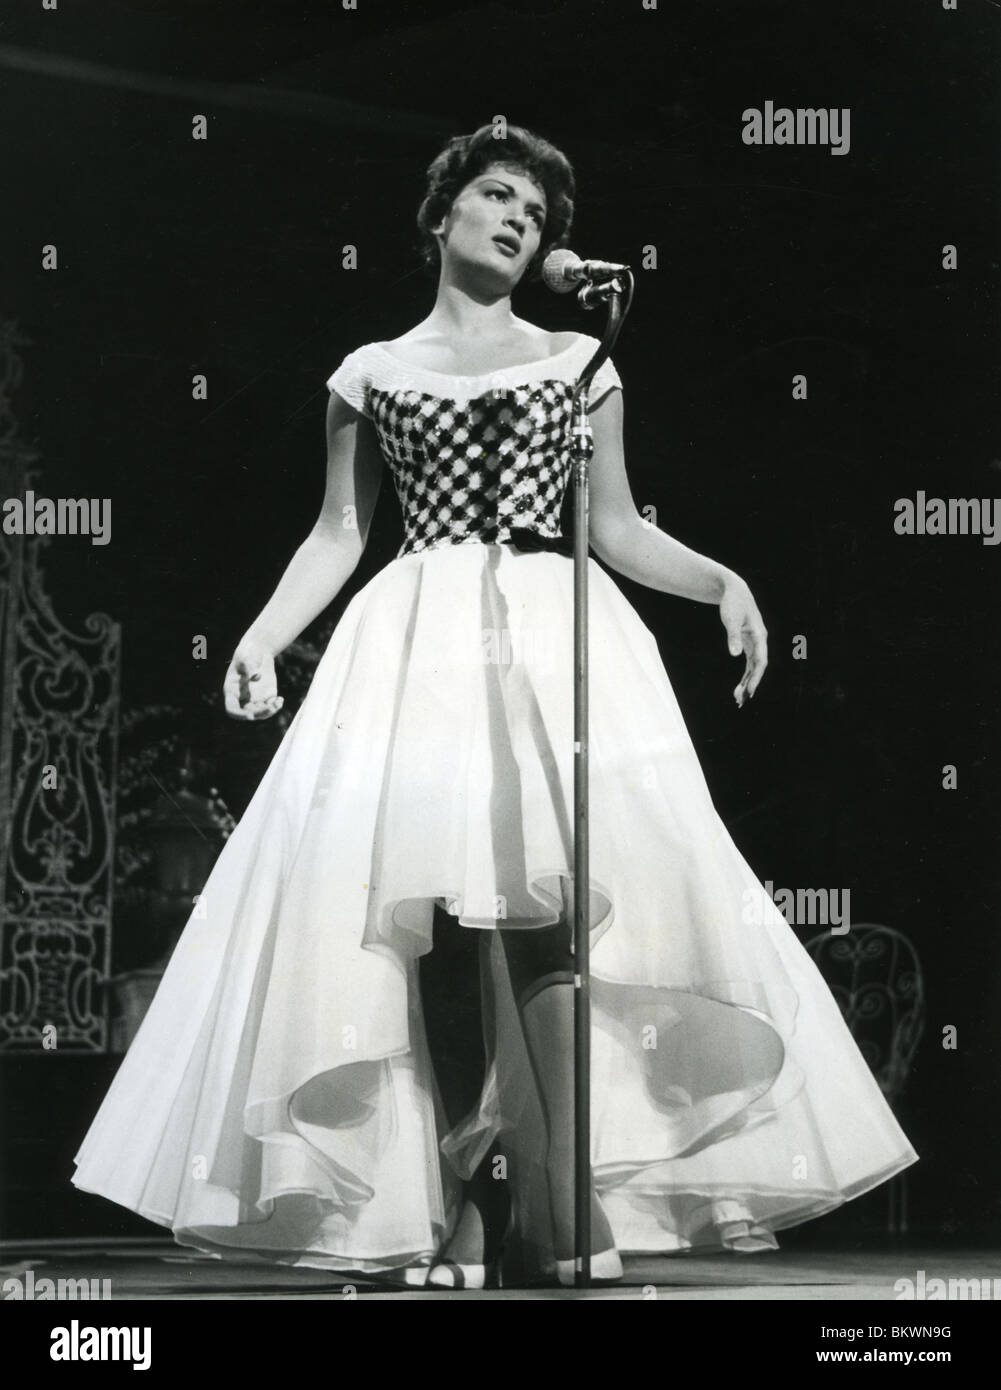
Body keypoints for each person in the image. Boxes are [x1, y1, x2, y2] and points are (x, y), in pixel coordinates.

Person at [72, 123, 918, 1290]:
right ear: (441, 217)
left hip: (552, 625)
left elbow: (616, 528)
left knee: (549, 914)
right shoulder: (369, 371)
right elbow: (337, 534)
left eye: (536, 212)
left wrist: (721, 579)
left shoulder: (580, 358)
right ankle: (455, 1210)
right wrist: (265, 636)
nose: (520, 220)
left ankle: (556, 1209)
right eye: (497, 195)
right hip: (416, 635)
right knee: (427, 915)